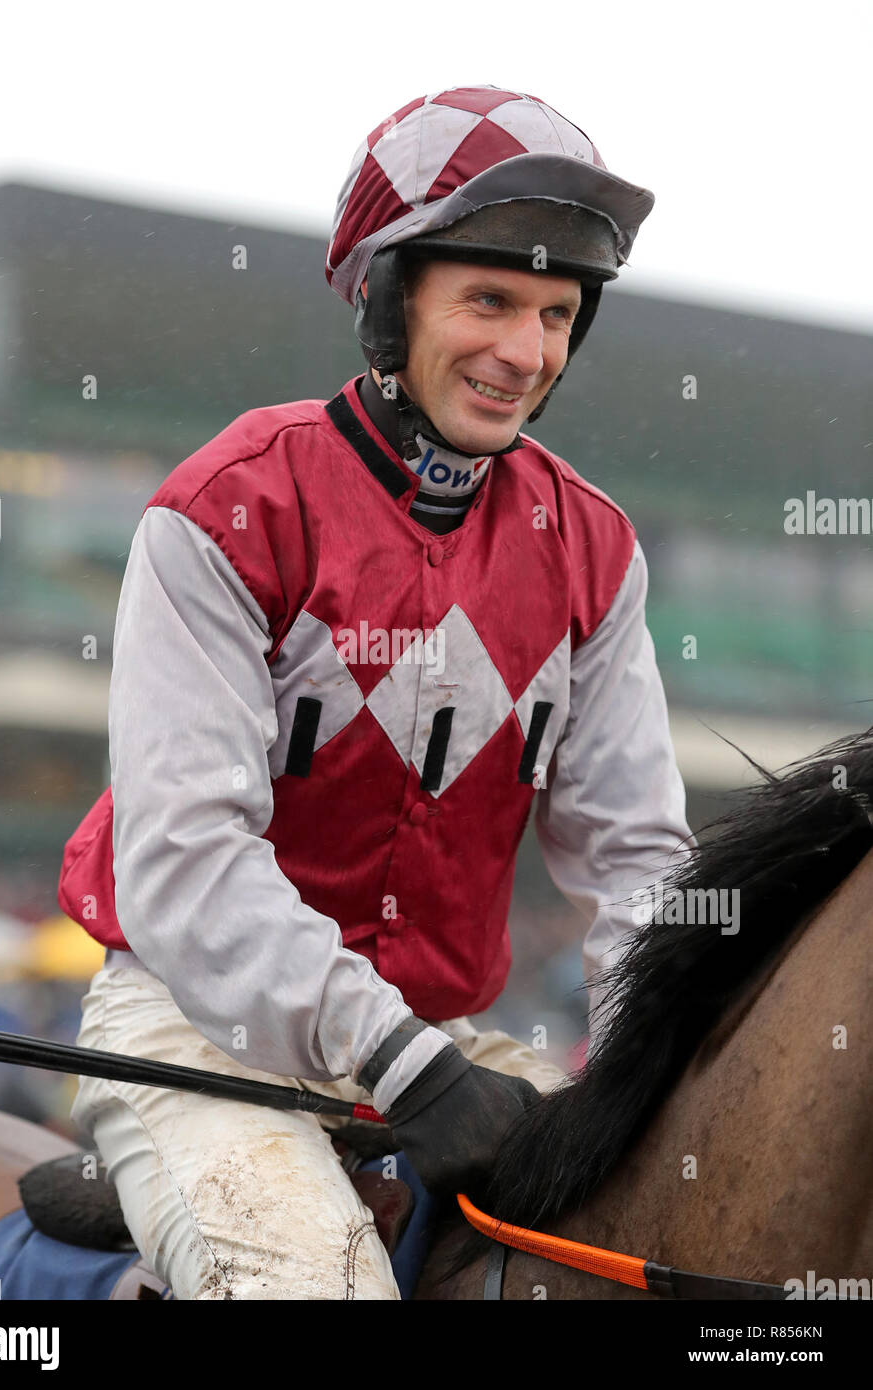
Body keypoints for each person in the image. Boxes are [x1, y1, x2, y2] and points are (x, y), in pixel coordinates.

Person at [60, 85, 693, 1300]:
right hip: (196, 1026)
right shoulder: (226, 510)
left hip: (448, 1043)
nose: (527, 352)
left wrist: (631, 1079)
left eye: (559, 314)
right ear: (389, 300)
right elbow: (186, 859)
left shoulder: (594, 551)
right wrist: (402, 1064)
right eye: (490, 301)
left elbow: (637, 867)